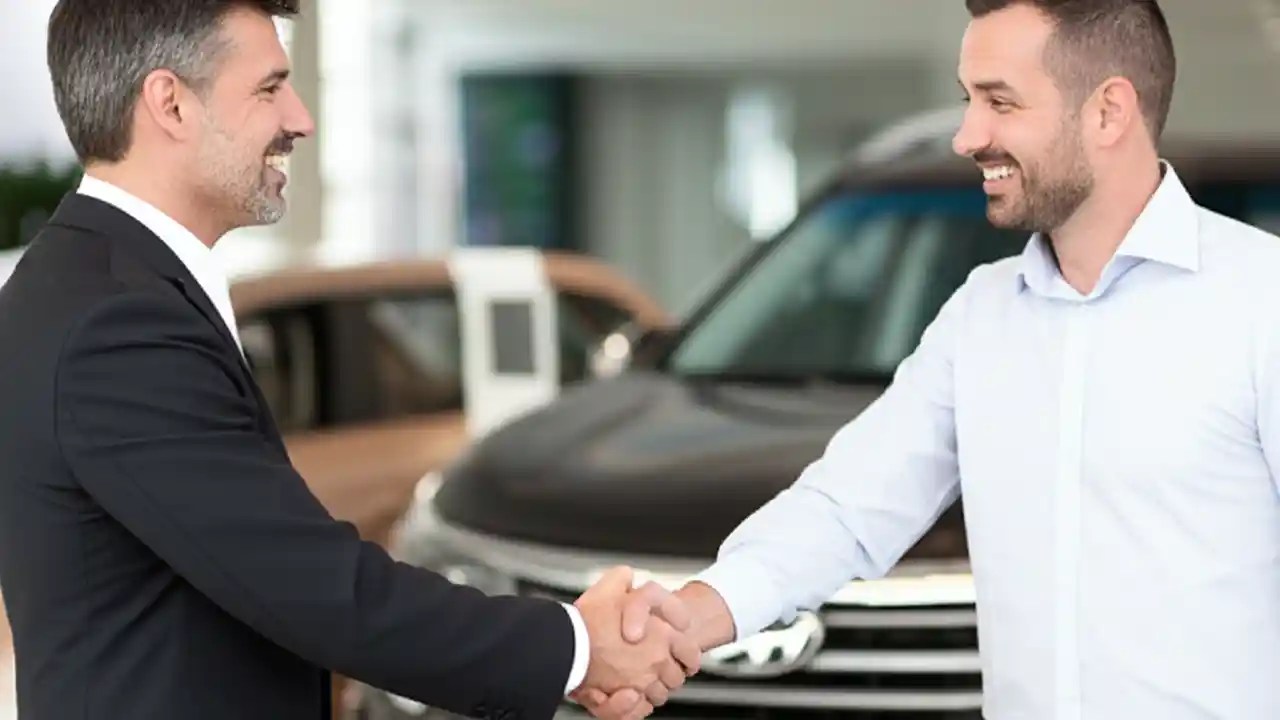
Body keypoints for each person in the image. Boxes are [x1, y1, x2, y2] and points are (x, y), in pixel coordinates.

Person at [579, 1, 1280, 718]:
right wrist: (688, 618)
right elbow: (848, 508)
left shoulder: (1264, 303)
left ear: (1108, 112)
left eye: (1000, 101)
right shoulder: (982, 315)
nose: (968, 136)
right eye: (968, 99)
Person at [0, 2, 697, 719]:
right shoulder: (117, 323)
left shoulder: (93, 284)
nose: (300, 119)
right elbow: (313, 587)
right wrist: (577, 645)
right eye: (269, 88)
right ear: (170, 103)